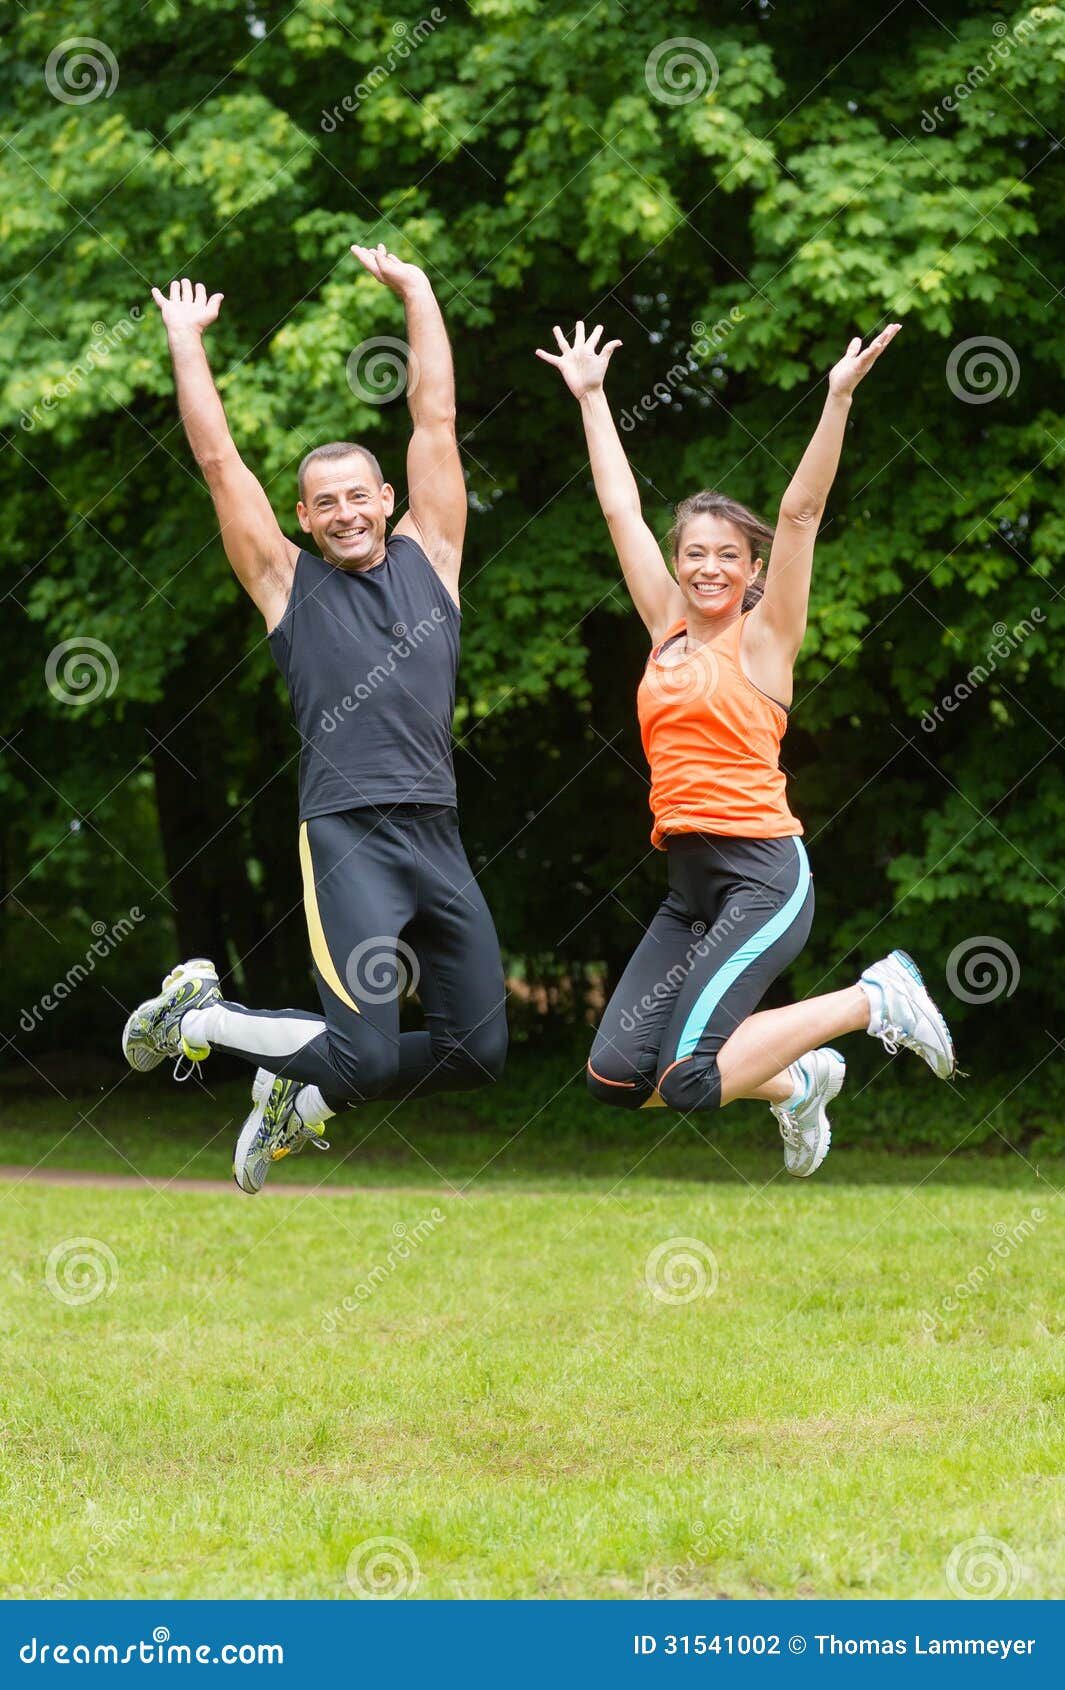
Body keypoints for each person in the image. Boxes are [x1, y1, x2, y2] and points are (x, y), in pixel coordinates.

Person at [123, 248, 507, 1192]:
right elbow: (218, 460)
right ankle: (198, 1018)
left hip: (438, 832)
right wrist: (184, 342)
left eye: (357, 497)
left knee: (479, 1053)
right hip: (347, 837)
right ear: (301, 514)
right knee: (367, 1055)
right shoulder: (284, 583)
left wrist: (419, 291)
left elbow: (435, 418)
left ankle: (301, 1098)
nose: (343, 514)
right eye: (322, 503)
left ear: (388, 502)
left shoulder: (435, 556)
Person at [536, 320, 954, 1176]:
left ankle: (873, 997)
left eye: (727, 555)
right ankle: (799, 1082)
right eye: (693, 554)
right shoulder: (664, 630)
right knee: (615, 1080)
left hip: (762, 876)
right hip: (687, 888)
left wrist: (836, 397)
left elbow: (799, 513)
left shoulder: (765, 640)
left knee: (689, 1079)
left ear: (749, 564)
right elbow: (618, 507)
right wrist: (590, 398)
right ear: (678, 562)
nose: (708, 569)